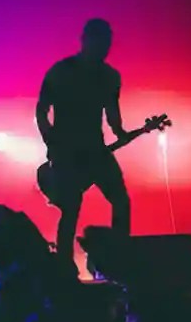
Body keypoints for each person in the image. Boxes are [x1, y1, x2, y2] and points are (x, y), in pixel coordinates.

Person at [36, 19, 132, 273]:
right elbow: (41, 110)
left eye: (108, 43)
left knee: (119, 201)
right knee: (71, 208)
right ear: (86, 40)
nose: (105, 48)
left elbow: (112, 114)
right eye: (101, 41)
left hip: (95, 150)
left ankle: (120, 257)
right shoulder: (61, 71)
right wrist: (50, 141)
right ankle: (65, 266)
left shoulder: (110, 76)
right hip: (68, 152)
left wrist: (121, 132)